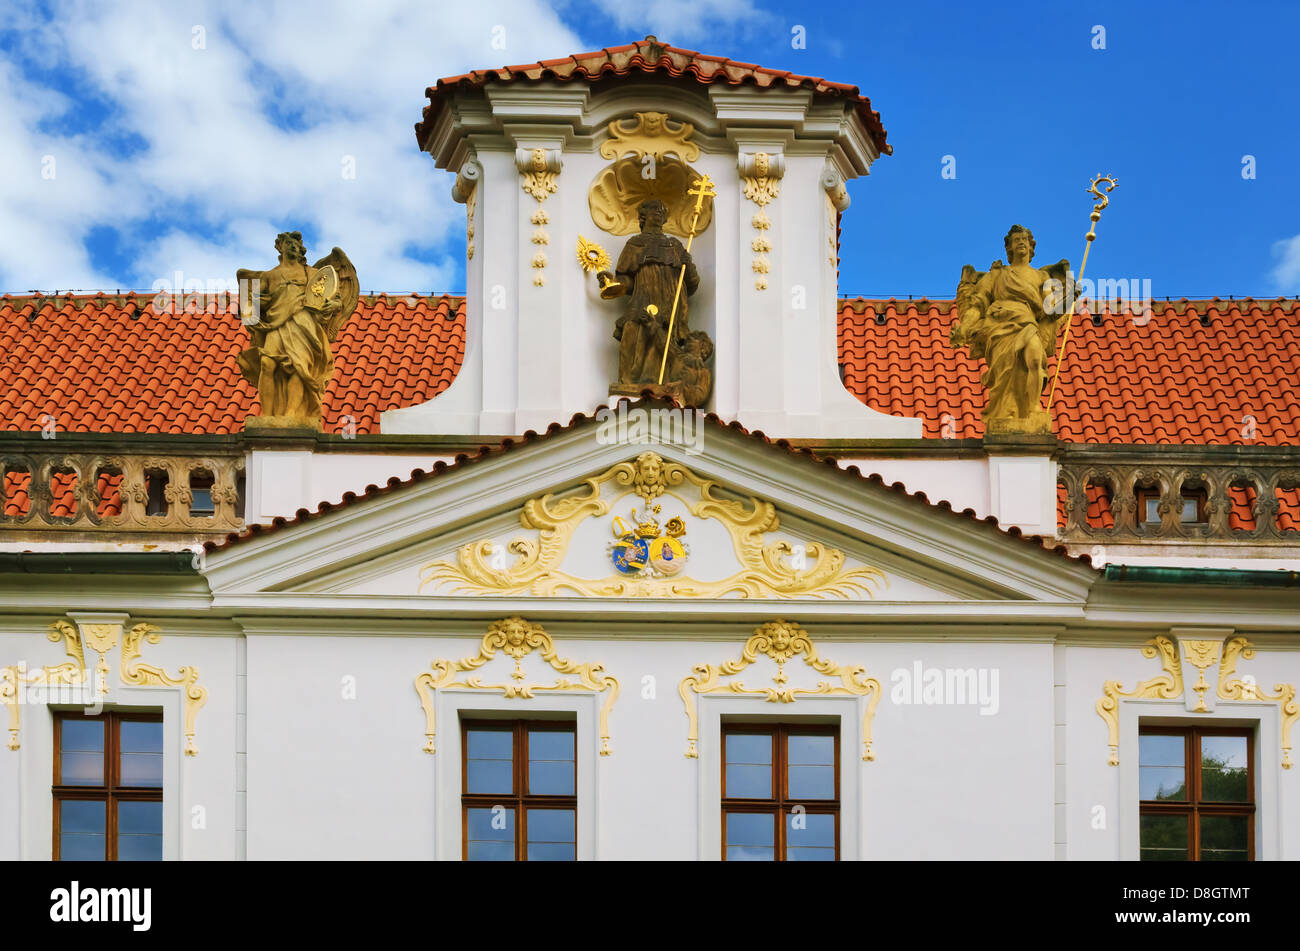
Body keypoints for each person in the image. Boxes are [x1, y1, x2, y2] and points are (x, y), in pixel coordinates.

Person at [950, 224, 1073, 428]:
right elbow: (977, 304)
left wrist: (1066, 301)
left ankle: (1033, 409)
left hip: (1027, 322)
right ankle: (1006, 414)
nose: (1021, 243)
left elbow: (1048, 312)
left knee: (1035, 359)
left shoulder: (1041, 277)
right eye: (1017, 241)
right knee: (1005, 371)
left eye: (1024, 240)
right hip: (999, 326)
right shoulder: (997, 275)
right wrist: (965, 327)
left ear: (1031, 247)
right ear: (1009, 248)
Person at [600, 199, 701, 385]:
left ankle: (659, 386)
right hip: (642, 301)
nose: (660, 212)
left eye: (662, 210)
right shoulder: (634, 244)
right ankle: (629, 384)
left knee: (661, 341)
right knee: (632, 331)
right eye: (655, 209)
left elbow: (692, 284)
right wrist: (611, 282)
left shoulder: (675, 246)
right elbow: (627, 282)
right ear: (643, 216)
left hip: (670, 305)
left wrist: (689, 265)